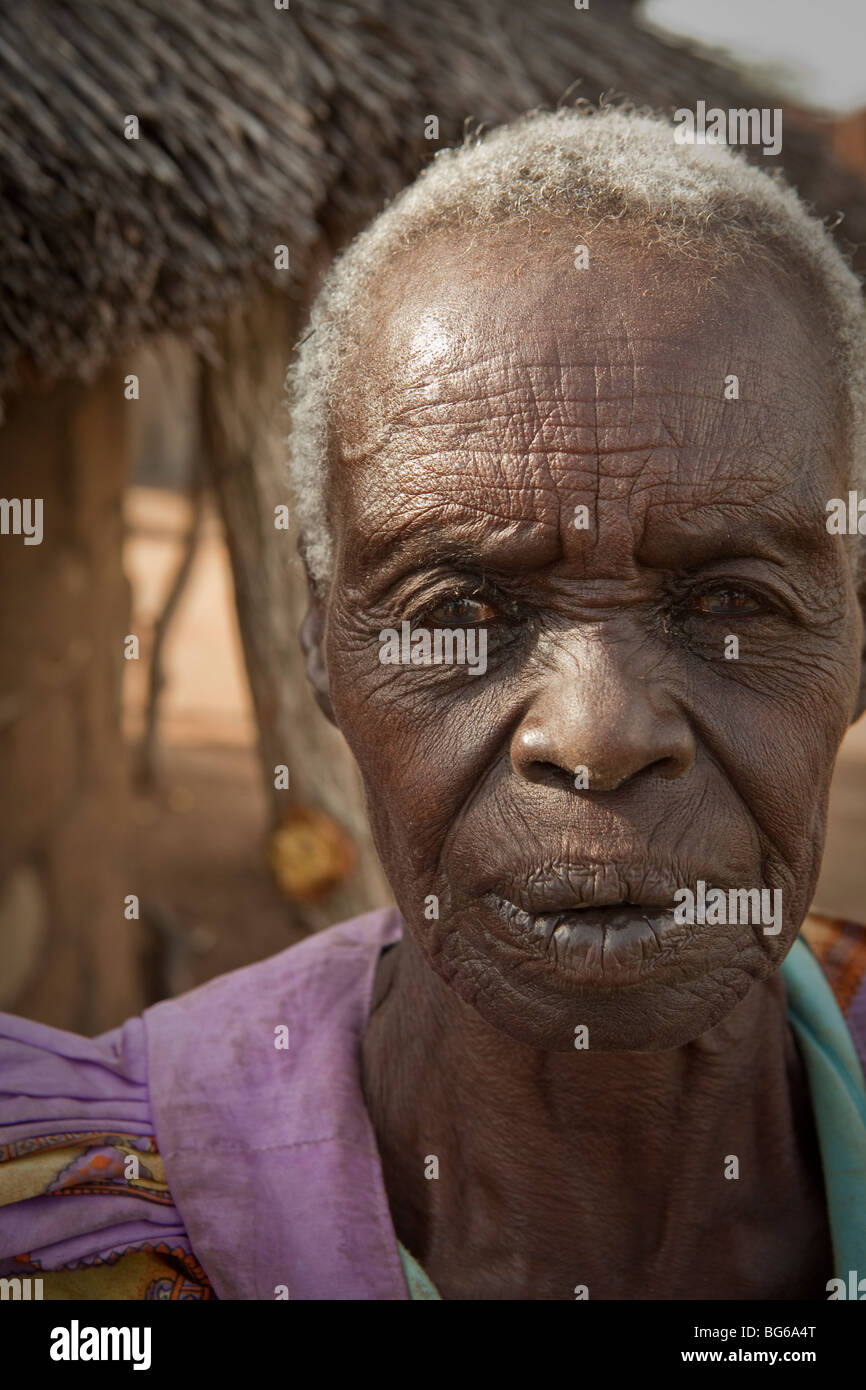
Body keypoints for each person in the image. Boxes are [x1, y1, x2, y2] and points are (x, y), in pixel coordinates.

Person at [2, 107, 866, 1301]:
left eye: (730, 601)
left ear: (854, 627)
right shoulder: (66, 1243)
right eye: (458, 613)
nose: (597, 734)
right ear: (320, 643)